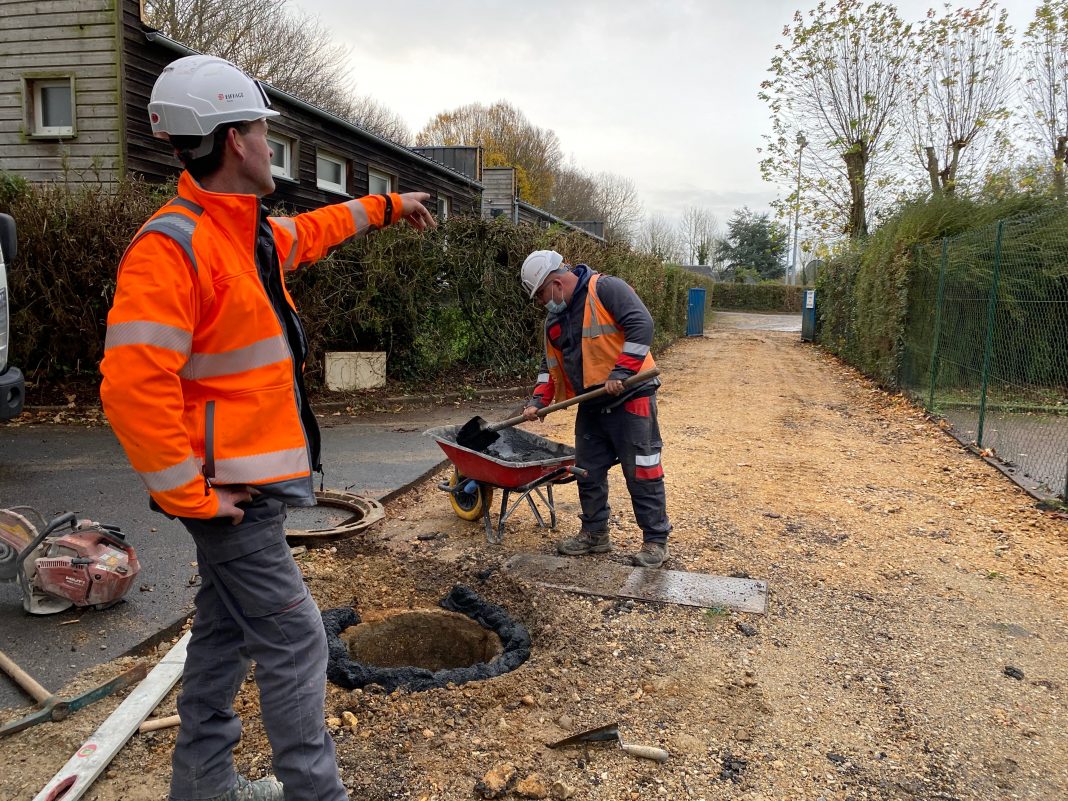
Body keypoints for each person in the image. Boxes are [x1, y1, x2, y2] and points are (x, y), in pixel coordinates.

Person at [100, 55, 435, 801]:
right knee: (295, 638)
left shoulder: (243, 235)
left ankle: (204, 787)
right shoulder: (174, 246)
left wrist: (387, 205)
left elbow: (313, 231)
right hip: (231, 500)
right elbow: (130, 385)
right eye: (257, 126)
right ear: (230, 140)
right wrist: (191, 495)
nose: (265, 140)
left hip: (249, 493)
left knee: (223, 637)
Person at [520, 250, 672, 568]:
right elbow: (550, 367)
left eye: (541, 295)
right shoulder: (555, 322)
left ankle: (655, 541)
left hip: (631, 395)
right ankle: (594, 534)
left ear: (557, 283)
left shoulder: (606, 289)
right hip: (591, 402)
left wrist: (622, 373)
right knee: (587, 470)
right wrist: (538, 401)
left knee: (643, 470)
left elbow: (641, 324)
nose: (540, 304)